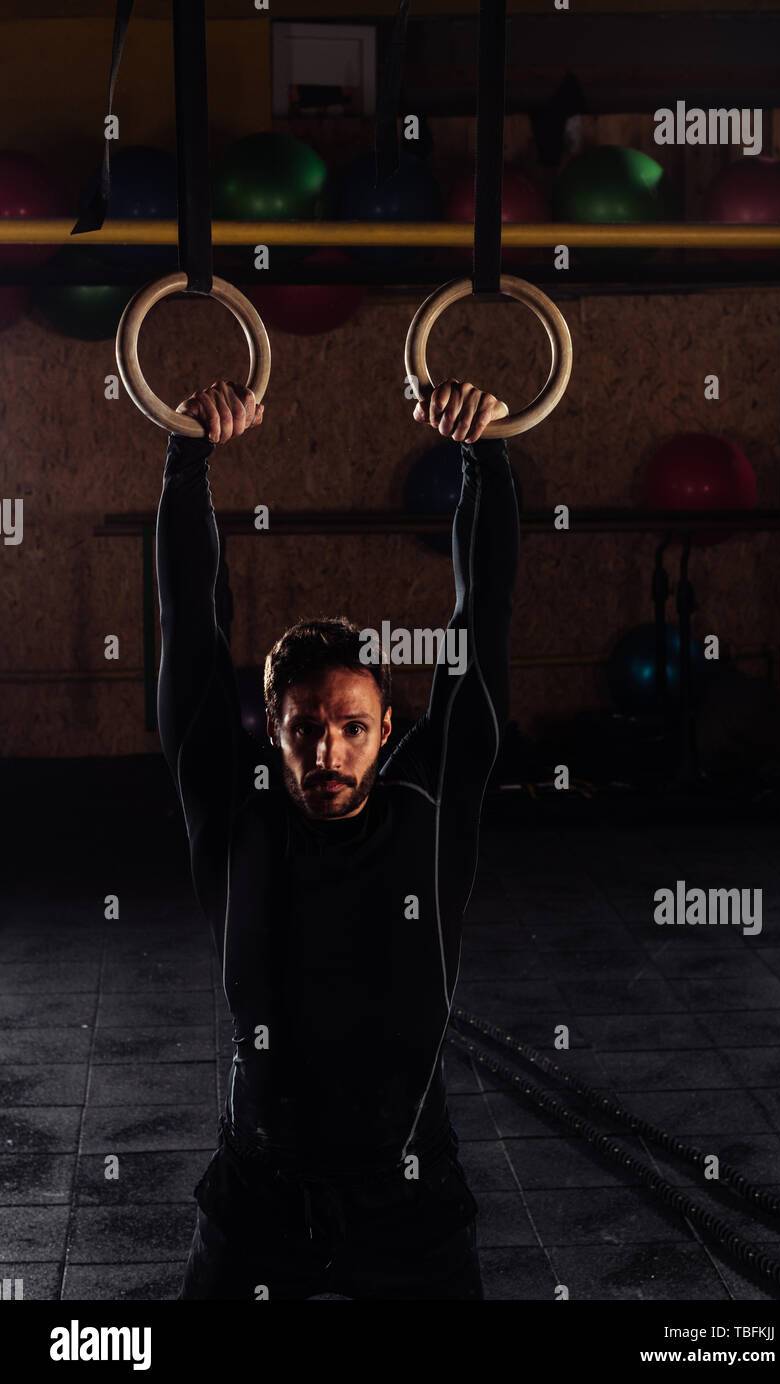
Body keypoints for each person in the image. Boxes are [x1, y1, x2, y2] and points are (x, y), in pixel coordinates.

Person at [156, 376, 518, 1299]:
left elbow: (484, 621)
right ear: (270, 731)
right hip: (260, 1189)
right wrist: (187, 460)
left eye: (352, 728)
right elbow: (192, 636)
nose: (328, 749)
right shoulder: (235, 829)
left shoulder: (430, 820)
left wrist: (486, 455)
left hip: (409, 1192)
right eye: (305, 728)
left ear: (386, 729)